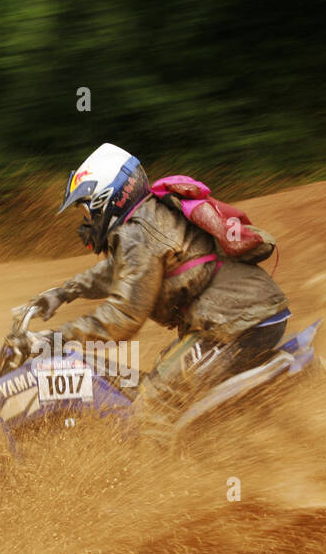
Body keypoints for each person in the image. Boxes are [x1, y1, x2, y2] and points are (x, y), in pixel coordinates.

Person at [15, 142, 292, 434]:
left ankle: (169, 478)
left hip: (237, 323)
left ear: (108, 197)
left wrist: (56, 339)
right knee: (168, 382)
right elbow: (118, 270)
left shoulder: (136, 232)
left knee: (152, 404)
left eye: (88, 207)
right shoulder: (145, 218)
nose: (88, 220)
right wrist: (63, 292)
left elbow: (125, 315)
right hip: (241, 317)